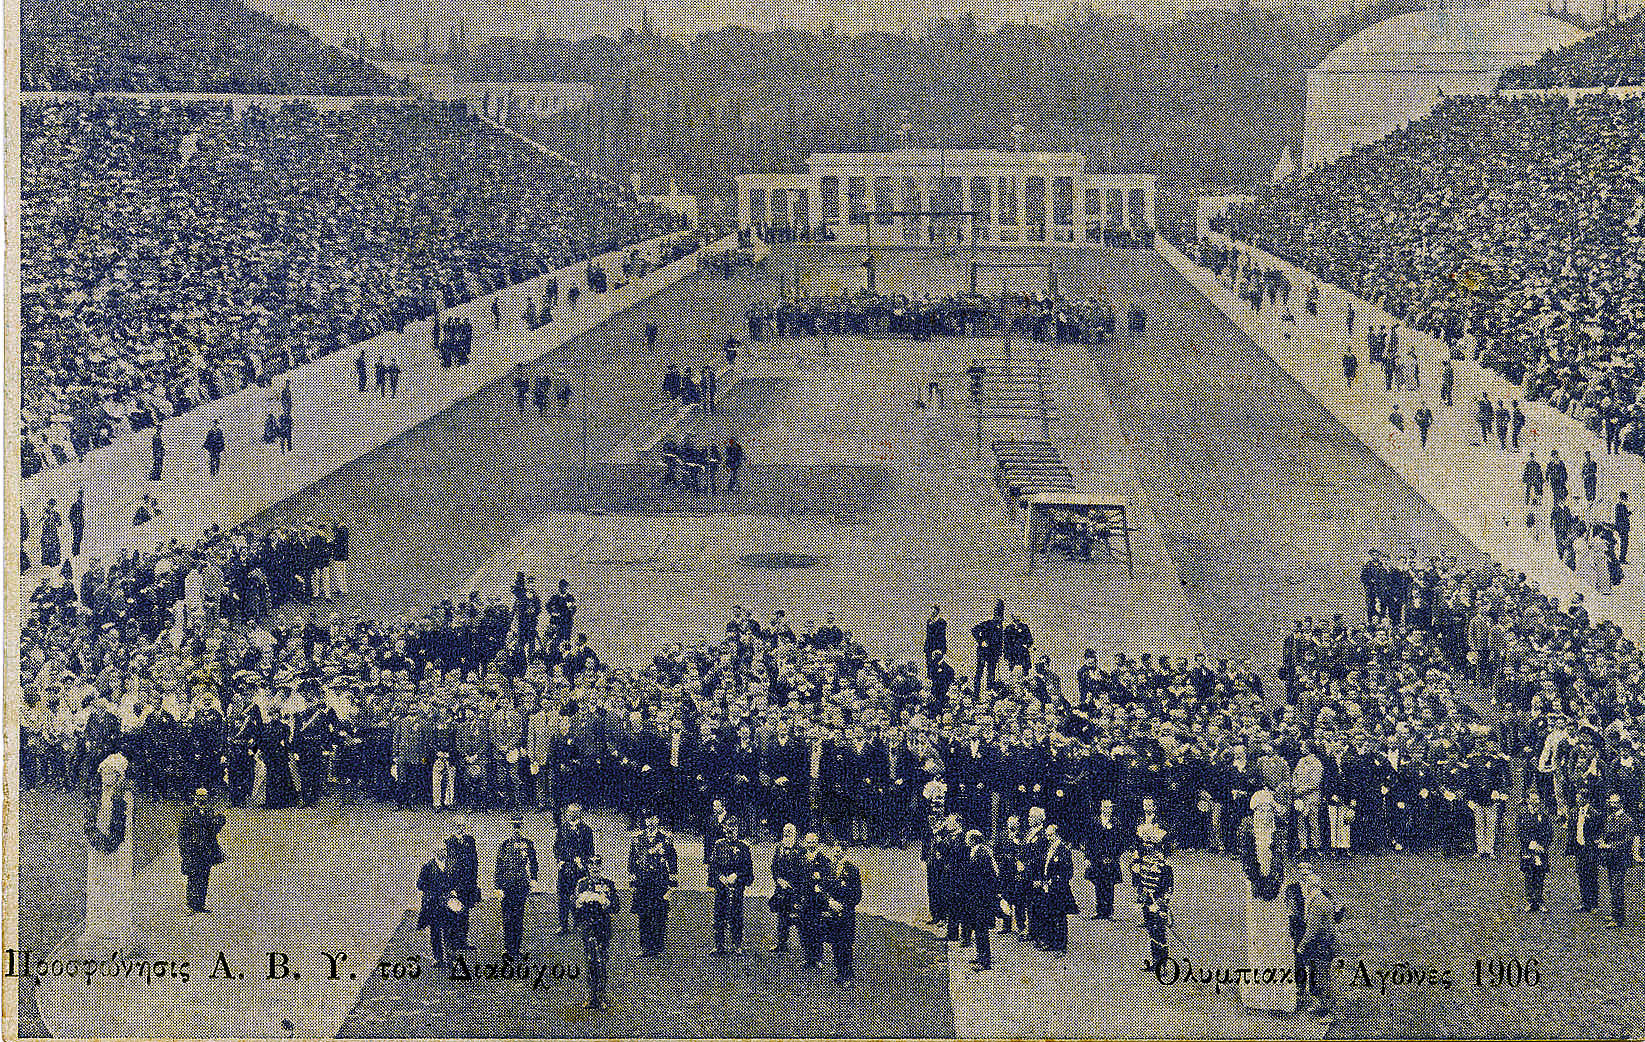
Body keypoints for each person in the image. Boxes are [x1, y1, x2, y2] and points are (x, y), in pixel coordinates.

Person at [1237, 790, 1297, 1011]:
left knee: (1277, 935)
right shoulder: (1246, 830)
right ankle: (1258, 993)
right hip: (1254, 889)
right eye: (1260, 809)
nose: (1264, 813)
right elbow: (1247, 862)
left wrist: (1272, 884)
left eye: (1268, 809)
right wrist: (1257, 883)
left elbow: (1280, 862)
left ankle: (1280, 996)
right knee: (1258, 935)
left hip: (1277, 889)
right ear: (1254, 811)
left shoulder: (1279, 832)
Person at [573, 854, 620, 1010]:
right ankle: (592, 996)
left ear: (601, 868)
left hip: (603, 927)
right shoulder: (582, 884)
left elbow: (616, 907)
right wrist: (580, 902)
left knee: (602, 960)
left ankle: (601, 996)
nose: (595, 869)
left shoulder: (608, 884)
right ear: (588, 868)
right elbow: (574, 906)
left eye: (597, 866)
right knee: (590, 960)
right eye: (592, 866)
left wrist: (606, 902)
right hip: (588, 927)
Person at [628, 809, 677, 957]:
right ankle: (645, 947)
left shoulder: (666, 839)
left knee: (660, 914)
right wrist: (632, 879)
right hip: (643, 882)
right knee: (644, 915)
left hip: (659, 882)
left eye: (653, 818)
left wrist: (671, 884)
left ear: (658, 820)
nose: (650, 821)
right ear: (644, 821)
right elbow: (631, 861)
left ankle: (658, 947)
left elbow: (673, 860)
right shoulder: (637, 839)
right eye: (647, 818)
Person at [494, 816, 539, 959]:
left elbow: (534, 863)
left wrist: (533, 878)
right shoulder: (504, 845)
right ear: (511, 828)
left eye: (519, 827)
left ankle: (517, 950)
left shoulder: (528, 844)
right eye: (514, 827)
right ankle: (508, 949)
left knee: (518, 919)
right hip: (507, 887)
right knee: (507, 919)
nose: (517, 830)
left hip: (521, 886)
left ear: (522, 828)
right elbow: (499, 867)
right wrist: (498, 887)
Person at [1296, 866, 1338, 1020]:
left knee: (1322, 978)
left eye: (1308, 886)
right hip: (1324, 943)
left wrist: (1301, 945)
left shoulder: (1318, 903)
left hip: (1323, 945)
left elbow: (1313, 929)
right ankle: (1321, 1005)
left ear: (1313, 887)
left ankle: (1328, 1013)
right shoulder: (1320, 900)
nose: (1305, 888)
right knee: (1319, 976)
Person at [820, 834, 862, 986]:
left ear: (845, 852)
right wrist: (830, 901)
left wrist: (843, 905)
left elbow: (857, 895)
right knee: (835, 944)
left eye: (840, 851)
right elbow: (824, 888)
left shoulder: (852, 870)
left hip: (846, 914)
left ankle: (848, 975)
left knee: (846, 944)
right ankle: (839, 974)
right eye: (835, 851)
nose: (837, 854)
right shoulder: (829, 869)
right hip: (832, 913)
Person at [708, 816, 753, 955]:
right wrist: (720, 877)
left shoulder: (743, 847)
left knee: (736, 915)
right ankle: (719, 945)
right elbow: (712, 866)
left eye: (733, 828)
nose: (730, 831)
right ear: (724, 829)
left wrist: (737, 876)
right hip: (721, 886)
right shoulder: (718, 845)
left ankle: (737, 945)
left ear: (737, 830)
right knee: (719, 915)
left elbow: (748, 869)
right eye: (727, 828)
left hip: (736, 887)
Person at [1132, 824, 1173, 974]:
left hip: (1158, 902)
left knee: (1159, 931)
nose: (1150, 850)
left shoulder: (1165, 866)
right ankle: (1156, 961)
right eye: (1147, 846)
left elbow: (1168, 888)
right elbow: (1140, 882)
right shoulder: (1143, 863)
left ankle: (1162, 964)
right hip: (1147, 901)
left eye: (1153, 847)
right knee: (1151, 929)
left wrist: (1161, 904)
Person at [178, 788, 225, 914]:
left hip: (206, 851)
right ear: (195, 797)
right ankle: (191, 904)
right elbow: (183, 834)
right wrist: (184, 852)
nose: (202, 798)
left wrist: (220, 820)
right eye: (200, 796)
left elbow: (213, 830)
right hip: (193, 851)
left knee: (204, 877)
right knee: (193, 877)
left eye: (204, 796)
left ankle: (200, 904)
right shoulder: (188, 812)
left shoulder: (209, 811)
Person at [1599, 793, 1641, 927]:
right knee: (1612, 886)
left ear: (1621, 803)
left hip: (1620, 859)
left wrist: (1610, 845)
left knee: (1617, 887)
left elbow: (1627, 842)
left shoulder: (1628, 821)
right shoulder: (1610, 818)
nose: (1613, 805)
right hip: (1610, 858)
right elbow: (1606, 834)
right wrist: (1601, 841)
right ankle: (1615, 912)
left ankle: (1618, 918)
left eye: (1615, 802)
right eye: (1611, 802)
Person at [417, 840, 459, 968]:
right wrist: (433, 890)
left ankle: (450, 957)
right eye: (439, 851)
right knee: (435, 932)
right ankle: (438, 958)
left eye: (444, 850)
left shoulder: (450, 867)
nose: (442, 853)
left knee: (449, 931)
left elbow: (454, 882)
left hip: (446, 904)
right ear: (434, 852)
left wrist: (453, 890)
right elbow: (420, 884)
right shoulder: (428, 867)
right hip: (433, 905)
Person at [961, 829, 998, 970]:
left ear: (972, 840)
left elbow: (981, 878)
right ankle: (981, 956)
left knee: (981, 928)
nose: (966, 841)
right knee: (979, 928)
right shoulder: (980, 851)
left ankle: (984, 961)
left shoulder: (980, 854)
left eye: (967, 838)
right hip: (980, 896)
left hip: (981, 897)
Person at [555, 803, 595, 934]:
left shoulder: (586, 830)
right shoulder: (562, 829)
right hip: (565, 867)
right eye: (569, 812)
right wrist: (560, 860)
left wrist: (582, 861)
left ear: (579, 813)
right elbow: (557, 847)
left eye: (574, 812)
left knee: (579, 895)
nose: (571, 814)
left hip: (579, 868)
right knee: (563, 897)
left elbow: (590, 851)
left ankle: (579, 923)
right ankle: (563, 925)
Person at [1038, 823, 1076, 956]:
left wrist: (1054, 881)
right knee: (1049, 914)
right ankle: (1051, 942)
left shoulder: (1063, 850)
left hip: (1059, 889)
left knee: (1060, 917)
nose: (1049, 838)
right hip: (1048, 888)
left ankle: (1061, 946)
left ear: (1057, 834)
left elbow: (1068, 872)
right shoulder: (1048, 848)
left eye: (1051, 835)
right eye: (1047, 835)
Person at [1085, 798, 1125, 919]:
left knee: (1109, 884)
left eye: (1110, 808)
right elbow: (1089, 841)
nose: (1108, 810)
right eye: (1105, 807)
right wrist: (1088, 857)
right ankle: (1100, 910)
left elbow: (1120, 842)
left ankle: (1109, 911)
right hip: (1096, 858)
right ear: (1101, 808)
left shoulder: (1116, 823)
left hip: (1110, 859)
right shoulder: (1094, 822)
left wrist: (1114, 857)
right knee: (1098, 883)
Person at [445, 817, 480, 951]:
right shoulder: (449, 843)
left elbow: (474, 862)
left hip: (468, 884)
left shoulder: (470, 841)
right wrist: (451, 887)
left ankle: (462, 942)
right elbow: (449, 866)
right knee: (453, 912)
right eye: (457, 826)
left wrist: (473, 882)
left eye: (462, 826)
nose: (460, 828)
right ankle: (452, 943)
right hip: (455, 885)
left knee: (465, 914)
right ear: (453, 827)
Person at [770, 822, 805, 953]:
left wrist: (791, 883)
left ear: (795, 833)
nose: (787, 833)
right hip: (781, 889)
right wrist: (779, 880)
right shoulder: (779, 847)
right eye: (785, 830)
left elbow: (803, 870)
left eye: (790, 831)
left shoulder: (800, 849)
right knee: (782, 918)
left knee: (800, 918)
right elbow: (774, 867)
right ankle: (781, 944)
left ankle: (806, 948)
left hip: (796, 890)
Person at [1518, 790, 1553, 912]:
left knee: (1540, 875)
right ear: (1527, 800)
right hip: (1527, 851)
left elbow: (1549, 833)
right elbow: (1520, 832)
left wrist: (1542, 845)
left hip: (1541, 850)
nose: (1535, 802)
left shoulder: (1544, 815)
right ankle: (1529, 901)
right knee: (1529, 875)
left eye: (1537, 799)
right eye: (1532, 799)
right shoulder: (1523, 815)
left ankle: (1539, 900)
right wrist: (1529, 843)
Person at [1571, 790, 1603, 913]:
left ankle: (1593, 903)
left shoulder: (1594, 814)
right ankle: (1585, 902)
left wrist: (1595, 845)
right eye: (1577, 797)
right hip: (1580, 849)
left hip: (1590, 849)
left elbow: (1599, 831)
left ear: (1586, 799)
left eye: (1579, 797)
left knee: (1592, 876)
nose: (1577, 799)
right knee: (1582, 875)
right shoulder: (1575, 812)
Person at [68, 490, 84, 558]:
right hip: (76, 524)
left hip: (80, 524)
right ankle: (75, 552)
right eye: (80, 496)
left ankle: (77, 552)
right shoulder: (75, 505)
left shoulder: (82, 504)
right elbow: (70, 516)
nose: (80, 497)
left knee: (79, 538)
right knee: (76, 538)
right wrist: (74, 522)